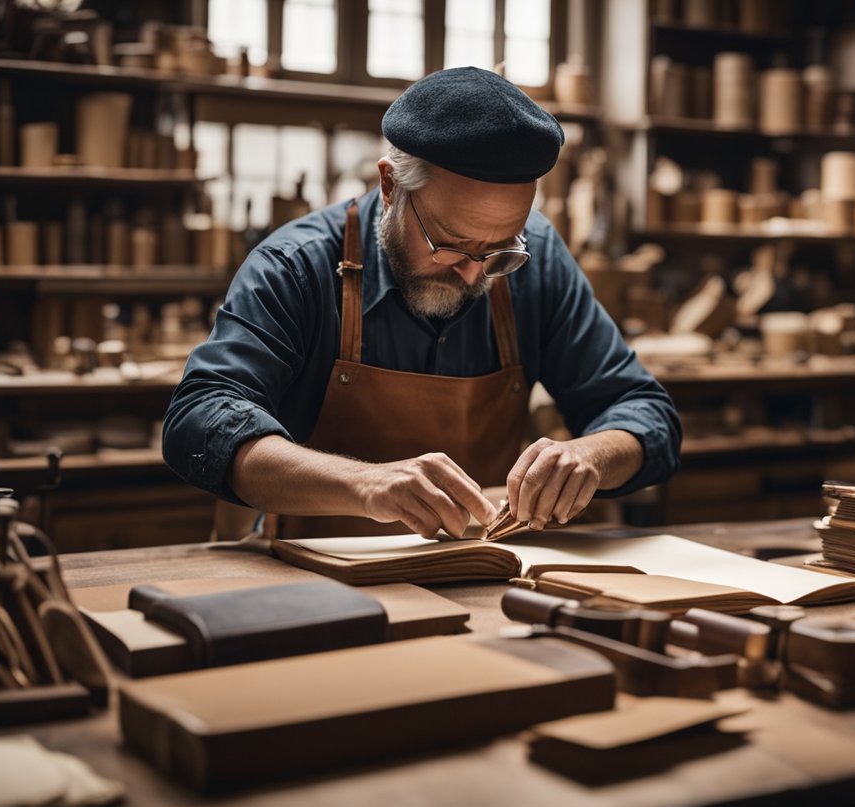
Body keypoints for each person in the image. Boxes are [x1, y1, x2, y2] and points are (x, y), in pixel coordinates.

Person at [163, 66, 681, 539]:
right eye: (451, 244)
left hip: (475, 573)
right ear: (390, 186)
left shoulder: (538, 261)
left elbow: (647, 413)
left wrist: (590, 455)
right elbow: (198, 418)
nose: (476, 272)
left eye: (500, 249)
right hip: (308, 578)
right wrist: (364, 484)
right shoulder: (296, 266)